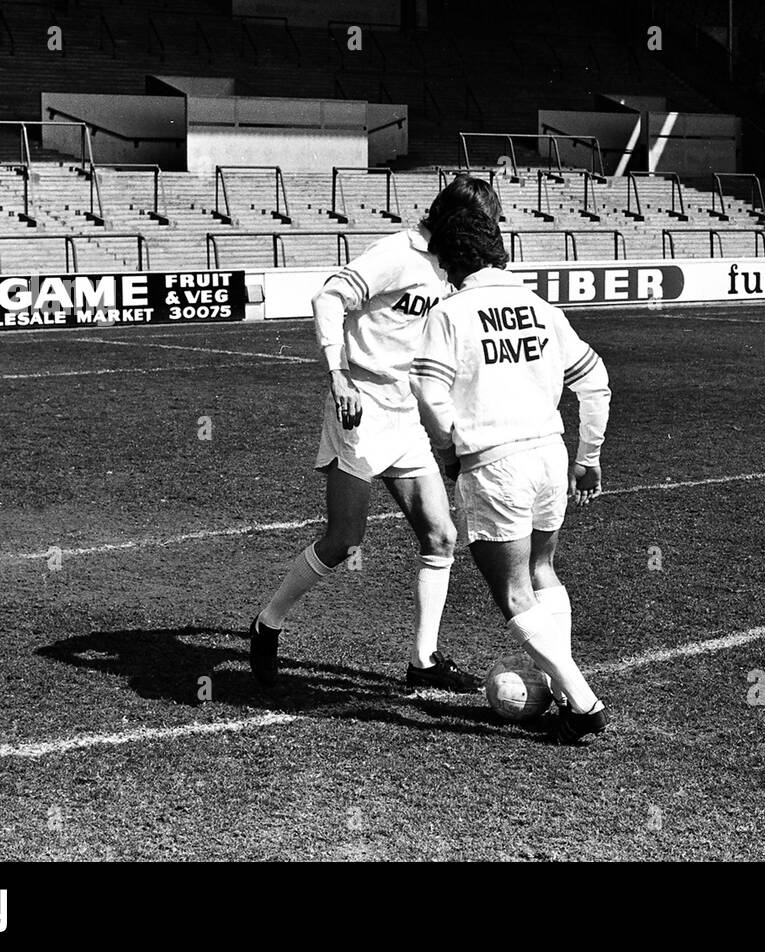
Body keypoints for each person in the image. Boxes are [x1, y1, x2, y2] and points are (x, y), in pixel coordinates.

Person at [249, 177, 502, 692]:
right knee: (344, 542)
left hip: (408, 414)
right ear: (455, 219)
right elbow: (329, 297)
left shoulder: (453, 267)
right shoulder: (398, 253)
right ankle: (268, 622)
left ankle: (423, 661)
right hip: (360, 408)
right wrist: (337, 375)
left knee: (441, 535)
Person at [411, 207, 612, 743]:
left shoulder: (449, 313)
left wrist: (447, 449)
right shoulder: (539, 306)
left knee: (514, 594)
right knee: (543, 569)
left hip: (494, 463)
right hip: (549, 454)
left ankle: (582, 701)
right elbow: (595, 382)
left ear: (453, 260)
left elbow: (429, 394)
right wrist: (588, 456)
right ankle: (561, 691)